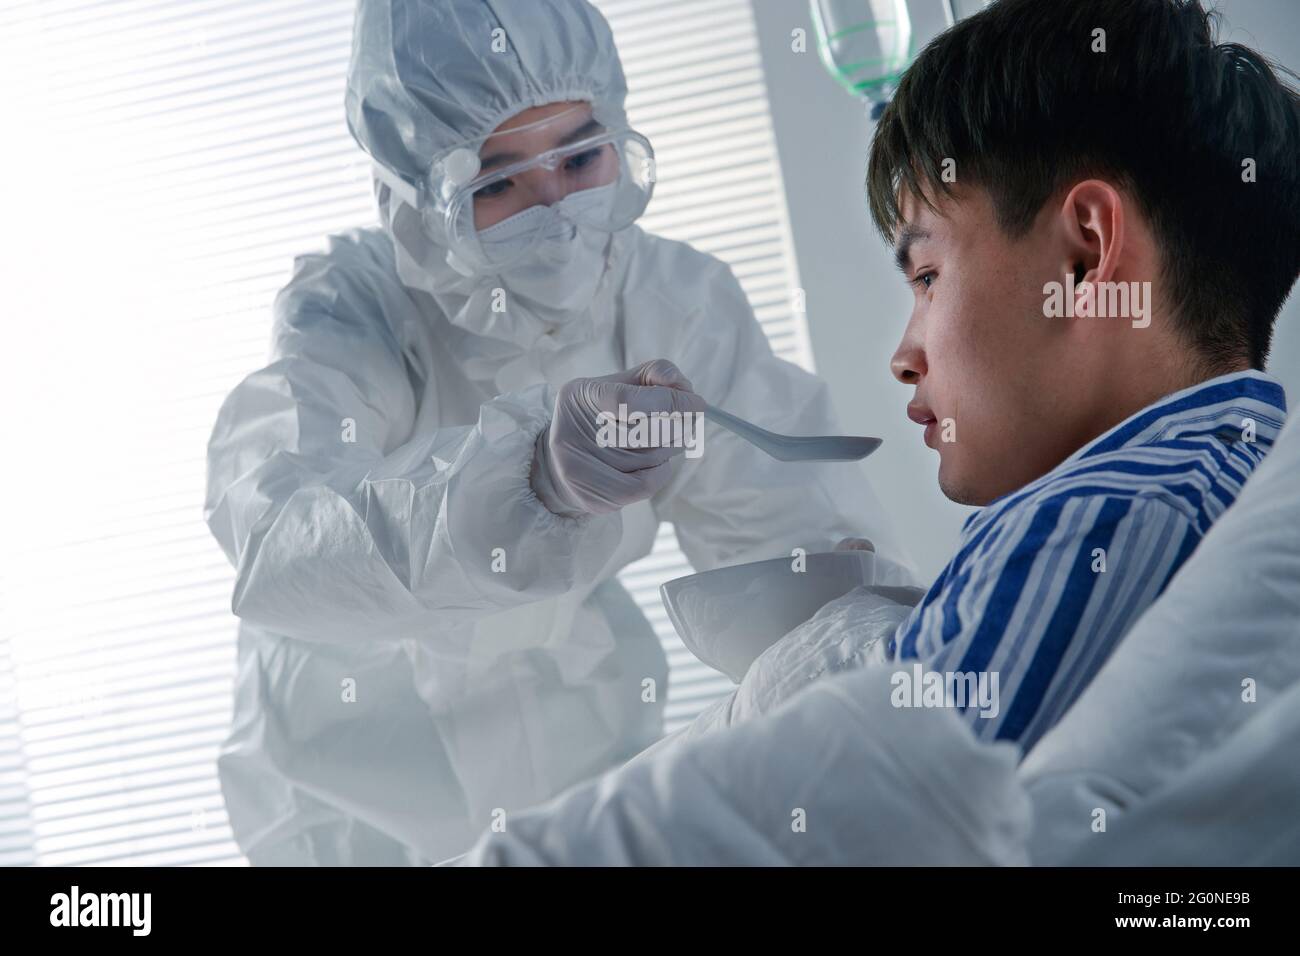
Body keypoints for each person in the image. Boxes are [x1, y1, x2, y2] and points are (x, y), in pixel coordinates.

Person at [451, 0, 1299, 863]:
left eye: (927, 273)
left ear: (1083, 259)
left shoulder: (1108, 515)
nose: (903, 353)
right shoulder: (1232, 474)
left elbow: (889, 815)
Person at [204, 0, 909, 866]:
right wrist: (531, 480)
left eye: (581, 157)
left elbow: (797, 550)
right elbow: (283, 536)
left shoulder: (675, 305)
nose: (559, 210)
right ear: (417, 196)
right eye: (497, 182)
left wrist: (893, 677)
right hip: (347, 772)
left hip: (573, 715)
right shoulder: (354, 312)